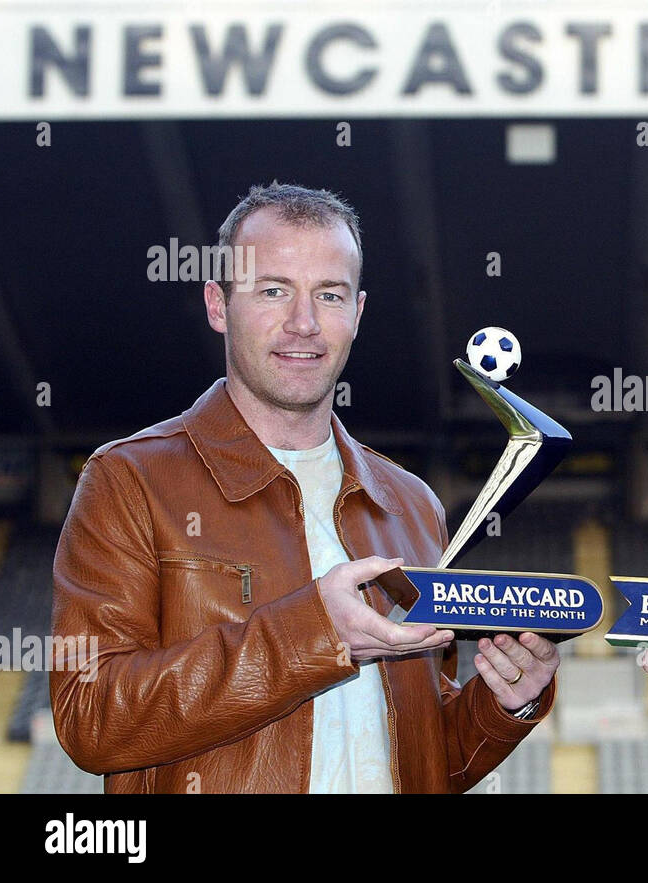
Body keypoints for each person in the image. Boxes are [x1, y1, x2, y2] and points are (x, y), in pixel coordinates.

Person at [50, 182, 558, 793]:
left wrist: (503, 706)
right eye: (273, 291)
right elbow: (91, 718)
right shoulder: (130, 479)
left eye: (329, 295)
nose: (304, 324)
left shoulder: (412, 504)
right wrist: (312, 633)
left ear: (358, 313)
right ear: (218, 304)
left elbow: (427, 759)